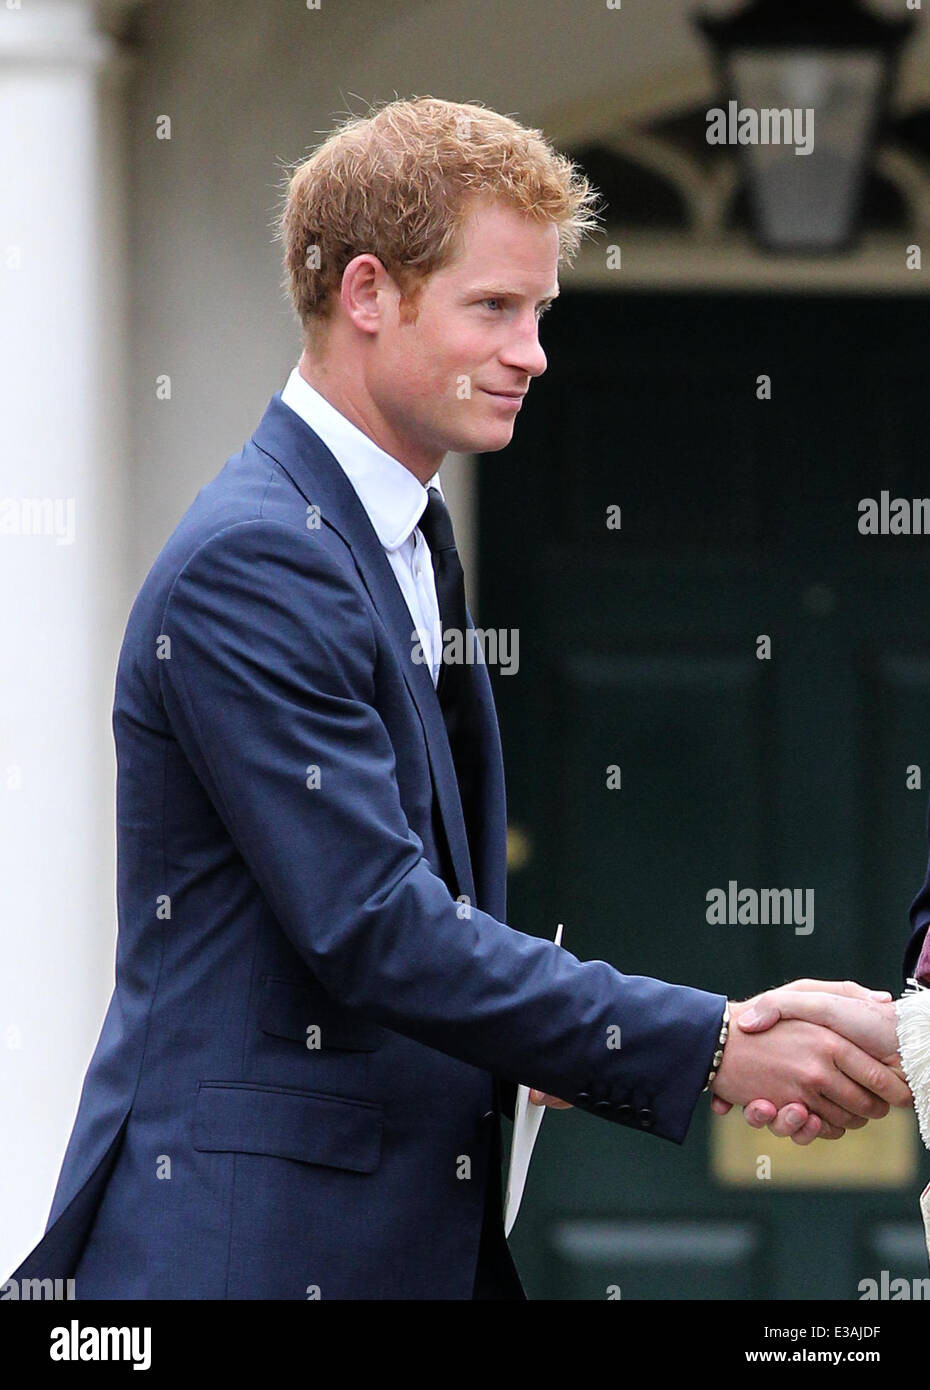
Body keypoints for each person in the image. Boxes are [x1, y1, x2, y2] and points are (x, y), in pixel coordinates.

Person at [7, 96, 912, 1300]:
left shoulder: (404, 539)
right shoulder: (259, 560)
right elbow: (378, 927)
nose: (534, 351)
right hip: (250, 1256)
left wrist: (577, 1055)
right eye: (495, 307)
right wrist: (707, 1046)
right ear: (368, 293)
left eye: (540, 311)